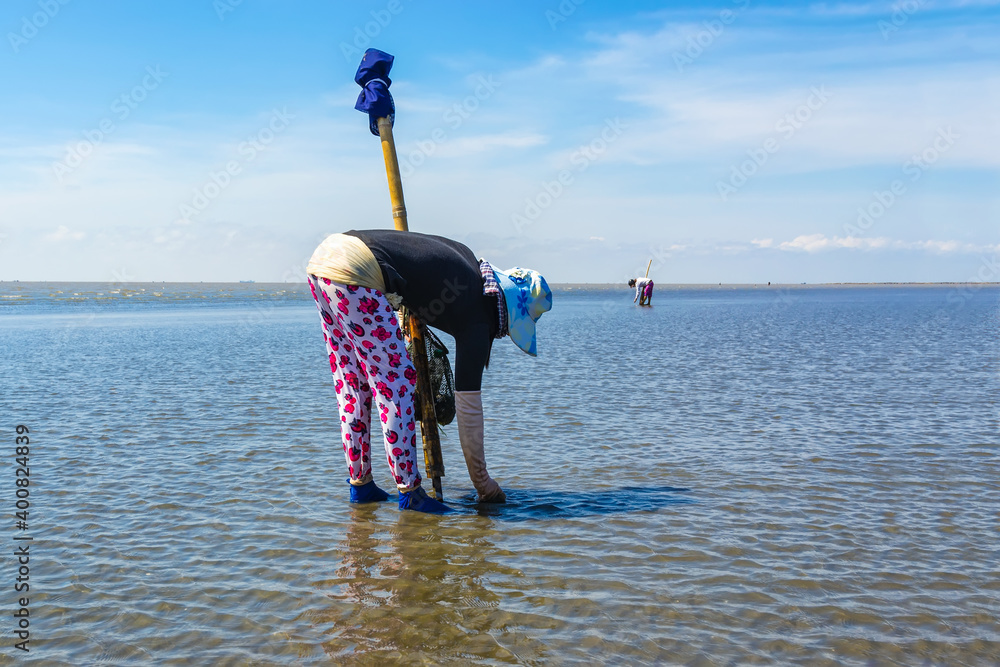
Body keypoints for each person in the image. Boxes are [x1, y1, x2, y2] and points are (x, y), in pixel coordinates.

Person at [306, 229, 552, 513]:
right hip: (360, 272)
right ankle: (410, 492)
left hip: (326, 259)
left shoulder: (467, 262)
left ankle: (361, 485)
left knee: (352, 383)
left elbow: (415, 270)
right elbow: (469, 411)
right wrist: (484, 485)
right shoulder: (479, 320)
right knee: (397, 383)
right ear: (509, 313)